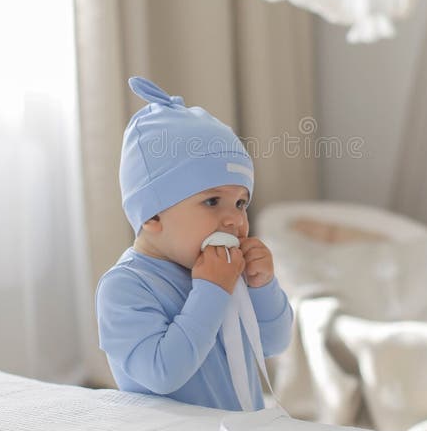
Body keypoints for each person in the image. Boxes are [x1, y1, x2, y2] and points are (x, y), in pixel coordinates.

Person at [95, 76, 293, 411]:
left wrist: (263, 286)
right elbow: (163, 374)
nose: (234, 219)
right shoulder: (124, 288)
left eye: (241, 203)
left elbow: (274, 343)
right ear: (152, 215)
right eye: (212, 202)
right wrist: (211, 290)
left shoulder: (227, 270)